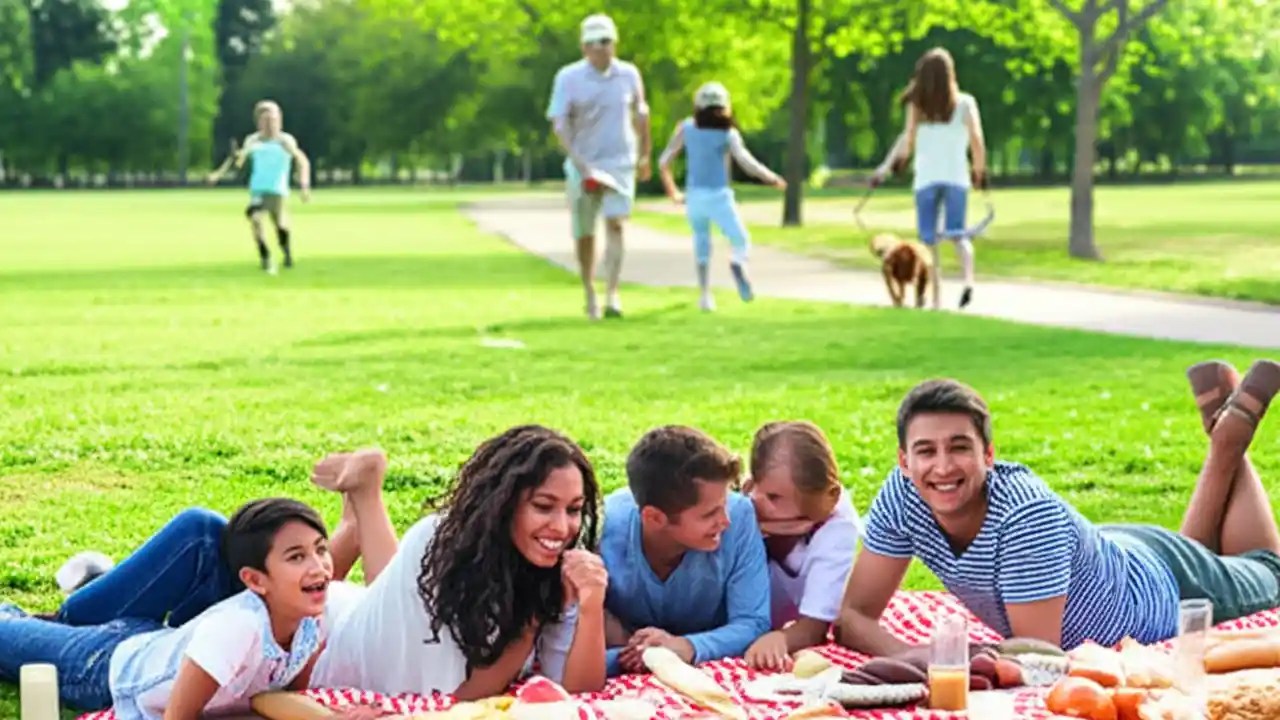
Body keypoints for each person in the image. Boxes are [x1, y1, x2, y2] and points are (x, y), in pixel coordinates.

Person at [834, 360, 1280, 660]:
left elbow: (1034, 658)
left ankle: (1227, 442)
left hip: (1170, 587)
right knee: (1201, 549)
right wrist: (923, 657)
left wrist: (939, 662)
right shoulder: (903, 493)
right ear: (904, 460)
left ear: (989, 454)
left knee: (1270, 571)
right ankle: (1227, 429)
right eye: (926, 451)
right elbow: (852, 617)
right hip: (1110, 551)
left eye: (959, 447)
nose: (942, 466)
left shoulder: (1025, 518)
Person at [309, 425, 610, 699]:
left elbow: (581, 695)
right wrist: (528, 629)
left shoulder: (558, 569)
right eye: (543, 507)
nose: (562, 527)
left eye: (574, 509)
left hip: (366, 613)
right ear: (503, 503)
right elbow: (460, 699)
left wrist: (590, 606)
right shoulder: (444, 544)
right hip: (325, 639)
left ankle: (358, 519)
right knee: (389, 615)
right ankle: (362, 507)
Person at [0, 498, 358, 719]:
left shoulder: (311, 624)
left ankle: (85, 597)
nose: (319, 566)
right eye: (297, 556)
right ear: (255, 580)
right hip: (103, 668)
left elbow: (278, 700)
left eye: (320, 549)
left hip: (153, 640)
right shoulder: (239, 628)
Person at [599, 425, 771, 676]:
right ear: (655, 518)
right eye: (710, 514)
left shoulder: (740, 516)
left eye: (724, 504)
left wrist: (686, 647)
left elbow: (753, 623)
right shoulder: (604, 529)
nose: (725, 521)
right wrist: (632, 653)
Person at [546, 14, 652, 321]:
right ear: (583, 47)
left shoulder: (629, 74)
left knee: (617, 224)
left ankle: (613, 294)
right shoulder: (568, 77)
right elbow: (560, 124)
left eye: (605, 42)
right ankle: (589, 291)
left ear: (614, 44)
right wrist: (581, 164)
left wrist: (645, 156)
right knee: (585, 232)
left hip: (620, 161)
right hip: (584, 163)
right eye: (593, 43)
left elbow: (641, 115)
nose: (600, 48)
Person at [741, 421, 862, 671]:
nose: (781, 512)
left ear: (830, 497)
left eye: (777, 499)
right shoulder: (741, 508)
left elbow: (814, 627)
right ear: (750, 487)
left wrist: (781, 639)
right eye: (771, 496)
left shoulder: (837, 526)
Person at [872, 48, 986, 311]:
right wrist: (979, 171)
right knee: (959, 234)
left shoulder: (918, 105)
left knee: (929, 241)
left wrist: (890, 165)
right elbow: (977, 140)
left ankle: (936, 300)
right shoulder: (966, 103)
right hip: (956, 177)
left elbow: (907, 138)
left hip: (926, 179)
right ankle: (969, 281)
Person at [657, 82, 786, 313]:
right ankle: (737, 262)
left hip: (695, 197)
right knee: (741, 240)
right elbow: (747, 163)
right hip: (720, 196)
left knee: (702, 243)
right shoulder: (728, 134)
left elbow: (663, 162)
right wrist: (772, 178)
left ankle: (705, 296)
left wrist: (673, 192)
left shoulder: (686, 128)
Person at [207, 100, 312, 274]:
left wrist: (304, 187)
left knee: (280, 225)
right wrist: (218, 174)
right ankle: (265, 256)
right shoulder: (253, 140)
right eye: (266, 120)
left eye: (273, 119)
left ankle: (286, 253)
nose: (270, 124)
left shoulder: (285, 141)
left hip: (277, 190)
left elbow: (302, 161)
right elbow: (239, 160)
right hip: (258, 189)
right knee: (255, 219)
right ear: (259, 122)